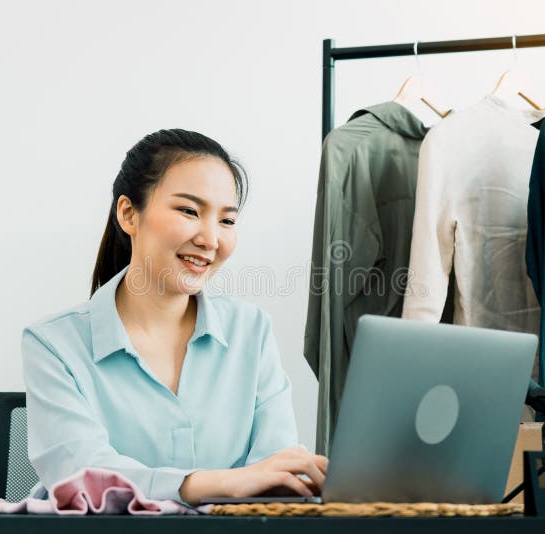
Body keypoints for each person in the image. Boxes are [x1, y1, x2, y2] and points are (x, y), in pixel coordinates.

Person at [21, 129, 328, 505]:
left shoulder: (251, 330)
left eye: (227, 221)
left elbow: (273, 472)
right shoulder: (53, 344)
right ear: (129, 214)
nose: (210, 239)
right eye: (189, 211)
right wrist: (217, 484)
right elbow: (82, 476)